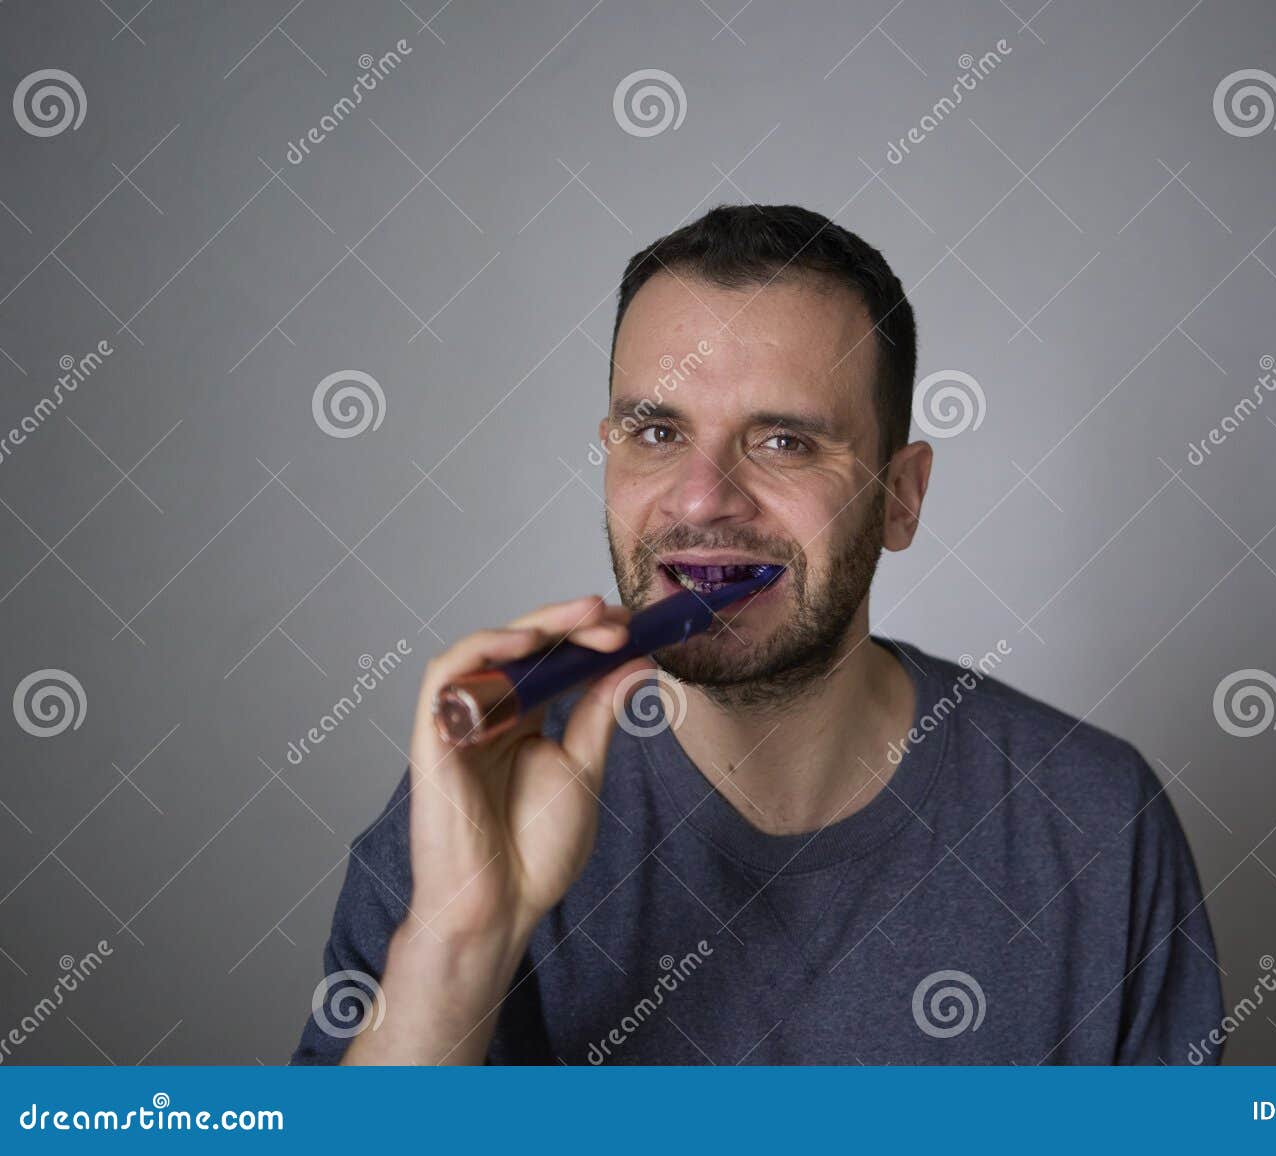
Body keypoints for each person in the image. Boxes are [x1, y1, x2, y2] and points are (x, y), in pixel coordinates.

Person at [291, 204, 1223, 1065]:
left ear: (900, 497)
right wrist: (461, 943)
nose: (702, 498)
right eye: (655, 432)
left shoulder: (1097, 825)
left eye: (784, 442)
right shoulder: (476, 797)